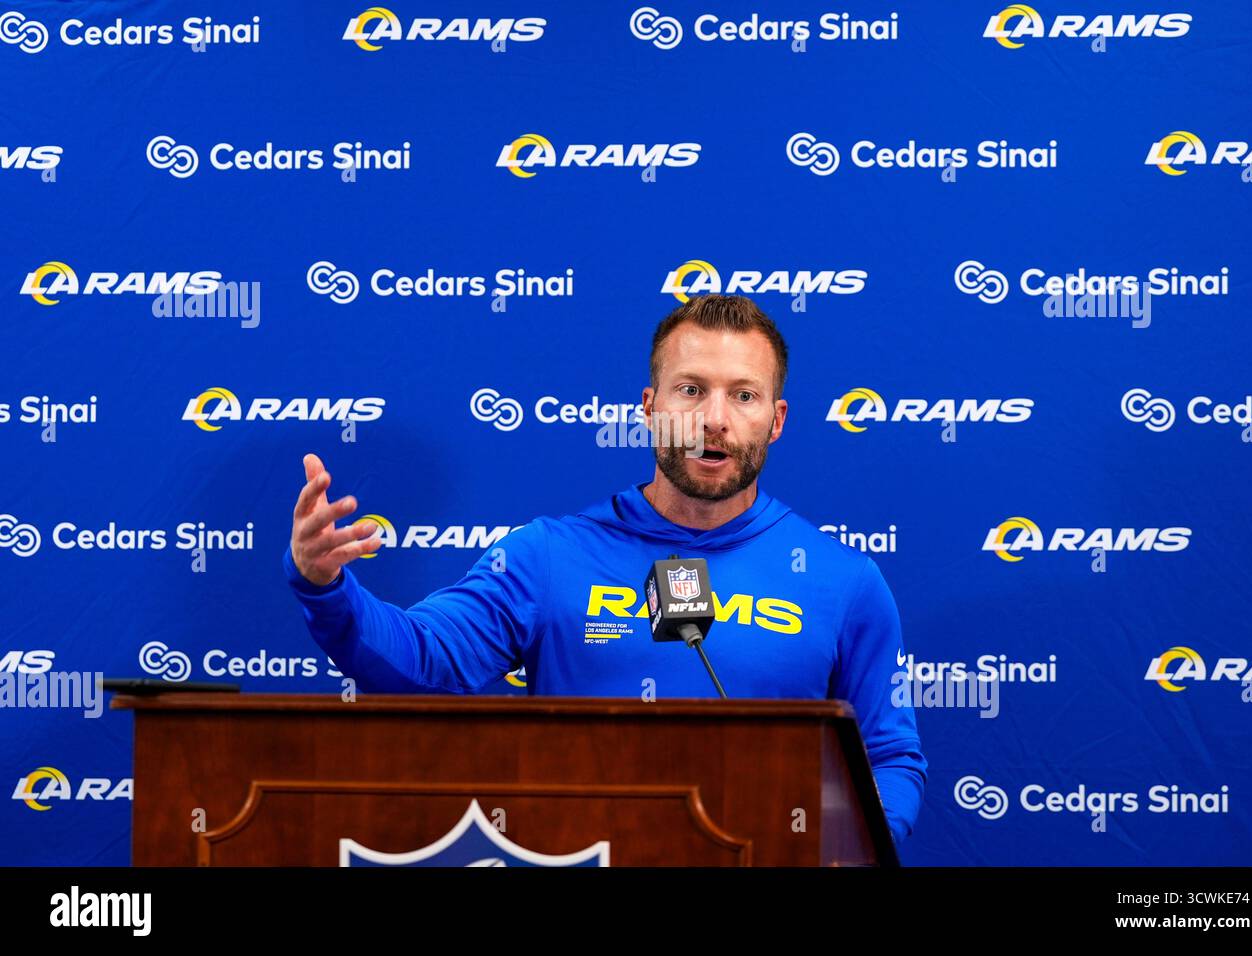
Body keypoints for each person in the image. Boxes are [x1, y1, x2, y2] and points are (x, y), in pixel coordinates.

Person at [285, 293, 927, 845]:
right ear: (650, 406)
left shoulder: (845, 583)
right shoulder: (547, 557)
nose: (714, 419)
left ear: (776, 420)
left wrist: (831, 850)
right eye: (691, 390)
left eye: (744, 395)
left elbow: (890, 760)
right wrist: (327, 588)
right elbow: (421, 662)